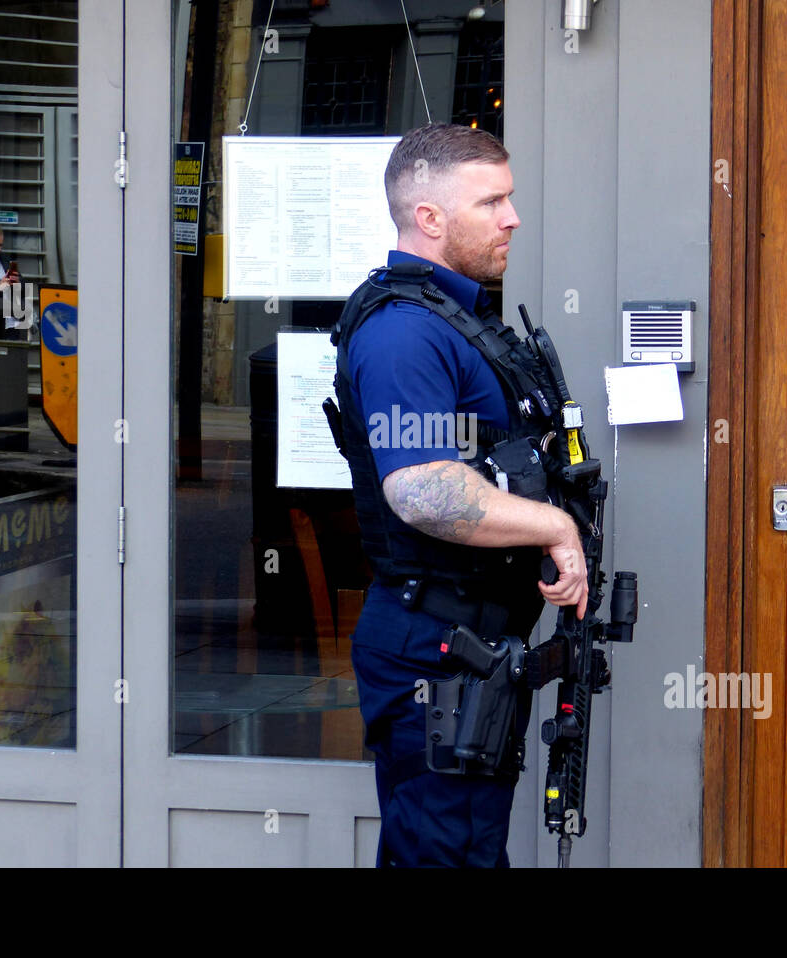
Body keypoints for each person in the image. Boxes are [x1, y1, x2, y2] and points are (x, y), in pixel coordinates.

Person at [333, 124, 588, 867]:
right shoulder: (404, 335)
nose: (512, 217)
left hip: (470, 647)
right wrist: (553, 528)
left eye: (510, 198)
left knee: (463, 851)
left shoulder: (458, 321)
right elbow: (421, 490)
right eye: (492, 201)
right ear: (430, 218)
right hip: (433, 650)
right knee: (444, 856)